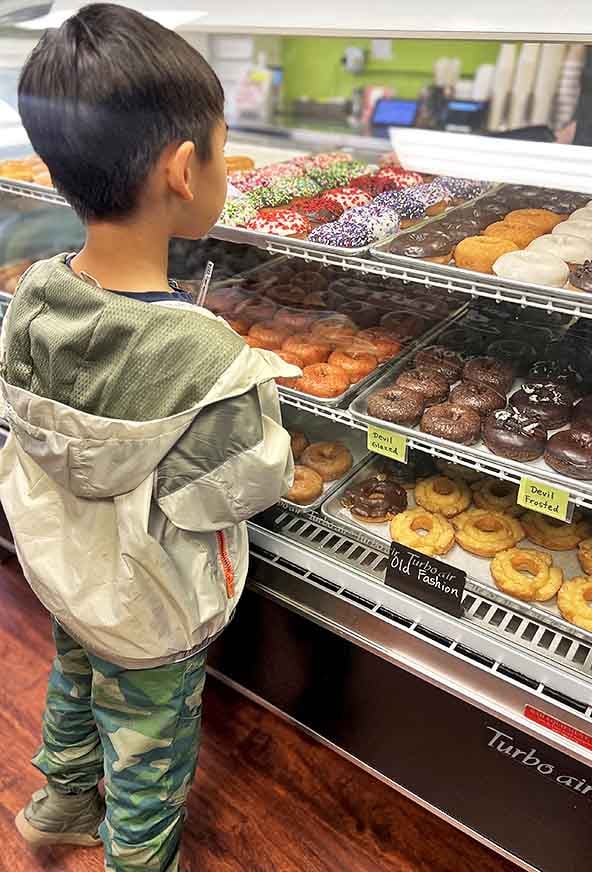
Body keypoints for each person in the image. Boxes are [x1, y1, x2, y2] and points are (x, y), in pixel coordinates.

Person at [0, 5, 297, 870]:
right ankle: (138, 858)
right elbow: (236, 489)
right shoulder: (204, 354)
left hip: (67, 567)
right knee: (148, 747)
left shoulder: (36, 296)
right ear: (181, 169)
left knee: (75, 677)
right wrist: (257, 388)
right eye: (221, 147)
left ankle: (58, 805)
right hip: (150, 600)